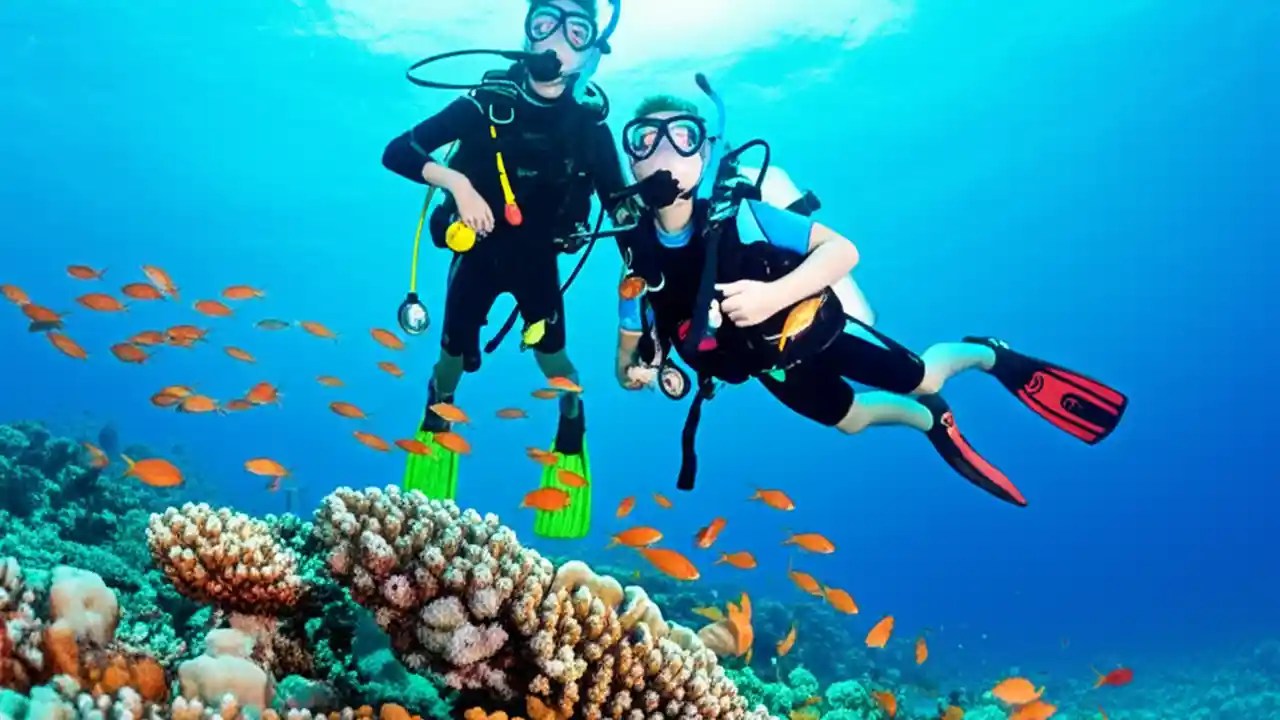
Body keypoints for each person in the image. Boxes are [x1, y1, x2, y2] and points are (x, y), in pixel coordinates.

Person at [612, 93, 1127, 506]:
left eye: (682, 137)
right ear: (631, 160)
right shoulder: (637, 257)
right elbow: (629, 351)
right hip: (770, 366)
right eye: (645, 140)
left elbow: (843, 251)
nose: (662, 152)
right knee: (852, 421)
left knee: (923, 375)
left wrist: (772, 297)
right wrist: (634, 371)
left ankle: (988, 353)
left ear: (703, 156)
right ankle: (931, 421)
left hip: (820, 328)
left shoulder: (741, 215)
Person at [381, 0, 629, 536]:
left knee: (555, 359)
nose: (557, 38)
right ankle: (438, 405)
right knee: (452, 355)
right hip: (478, 254)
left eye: (576, 28)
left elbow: (622, 210)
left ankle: (570, 425)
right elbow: (397, 151)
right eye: (544, 22)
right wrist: (458, 184)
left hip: (538, 261)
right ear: (527, 32)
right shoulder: (486, 103)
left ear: (590, 49)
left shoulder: (590, 129)